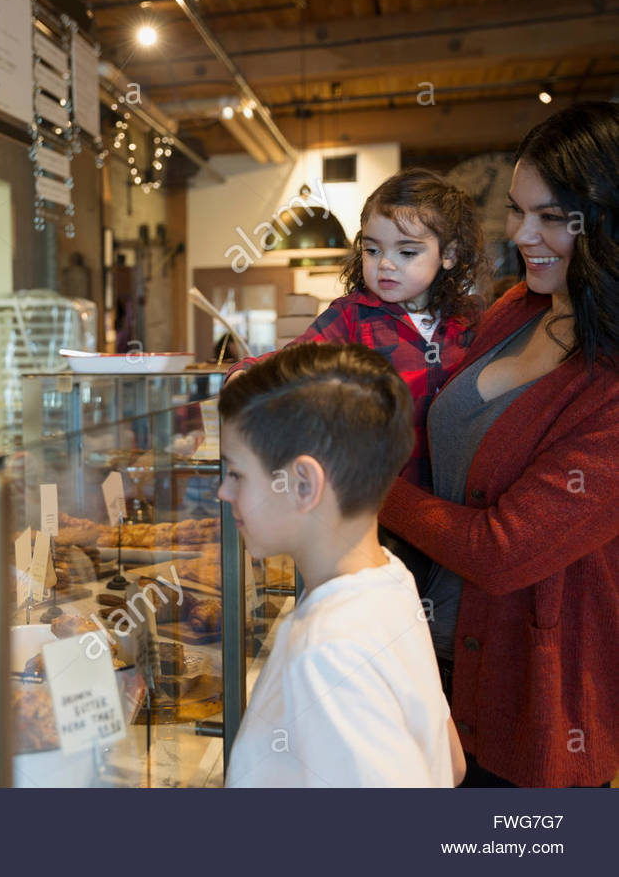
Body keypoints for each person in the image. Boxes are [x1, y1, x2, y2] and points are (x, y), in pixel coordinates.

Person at [378, 102, 619, 788]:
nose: (521, 234)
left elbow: (503, 551)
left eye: (550, 218)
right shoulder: (518, 309)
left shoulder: (609, 384)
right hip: (432, 668)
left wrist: (366, 483)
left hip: (533, 704)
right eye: (517, 211)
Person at [219, 343, 464, 787]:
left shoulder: (328, 654)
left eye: (236, 474)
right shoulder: (389, 576)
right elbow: (450, 758)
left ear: (302, 484)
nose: (223, 492)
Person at [230, 169, 484, 492]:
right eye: (373, 250)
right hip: (378, 500)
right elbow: (293, 362)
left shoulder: (471, 319)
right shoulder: (353, 316)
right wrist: (246, 375)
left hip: (456, 501)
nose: (385, 264)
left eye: (406, 252)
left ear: (448, 254)